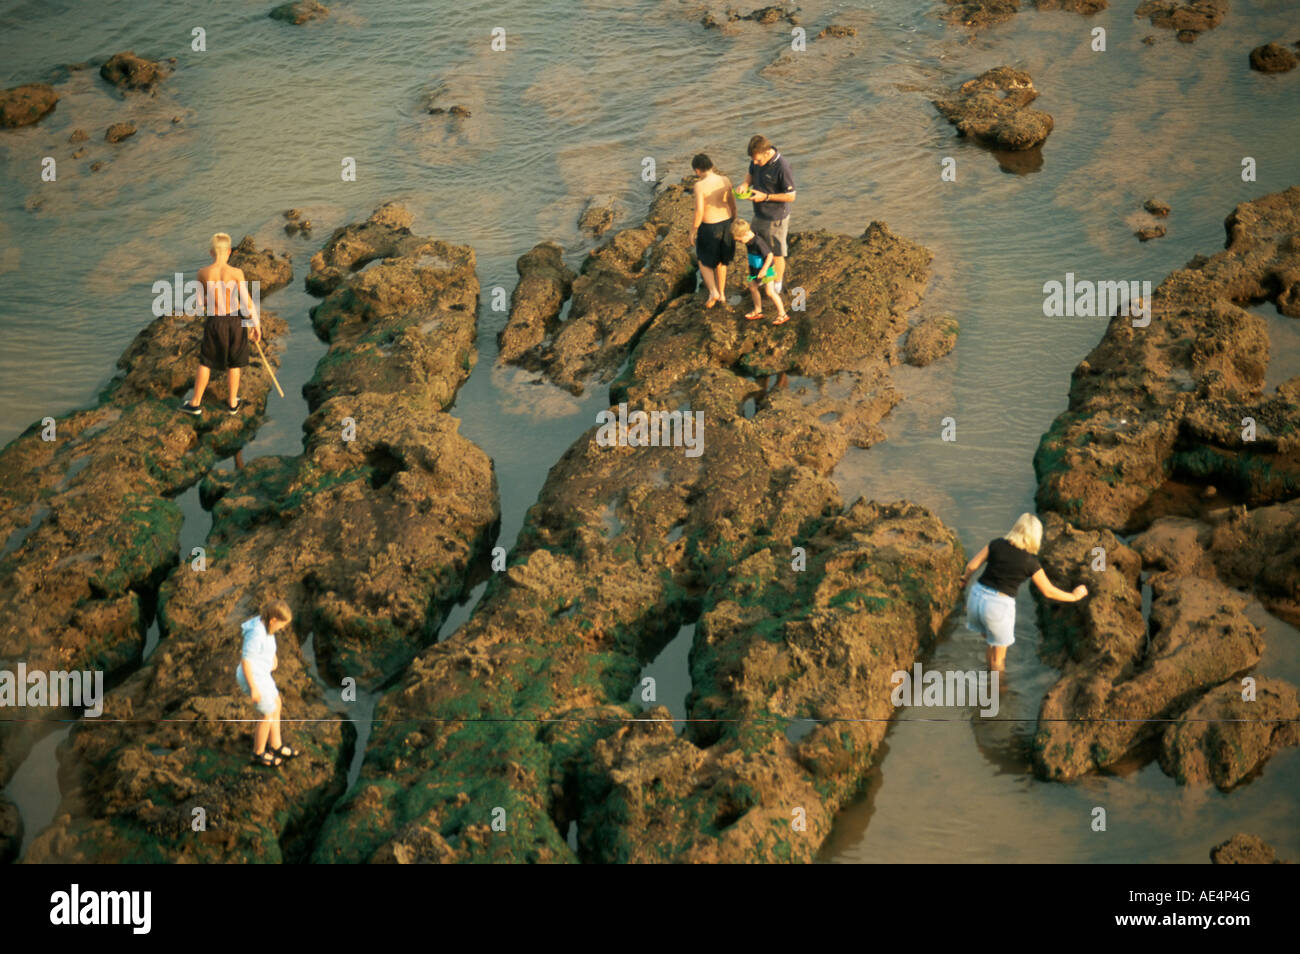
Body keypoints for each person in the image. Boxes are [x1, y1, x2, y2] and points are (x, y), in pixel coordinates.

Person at [960, 513, 1087, 673]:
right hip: (997, 606)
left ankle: (988, 678)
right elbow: (1048, 591)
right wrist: (1074, 596)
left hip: (976, 598)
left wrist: (964, 580)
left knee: (992, 644)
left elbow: (972, 566)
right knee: (999, 660)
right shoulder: (1030, 562)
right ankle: (997, 693)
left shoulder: (996, 544)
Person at [180, 232, 261, 416]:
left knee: (206, 362)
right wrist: (256, 325)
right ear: (230, 251)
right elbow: (248, 302)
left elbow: (201, 304)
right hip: (235, 321)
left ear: (211, 252)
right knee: (234, 363)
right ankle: (232, 403)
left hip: (215, 322)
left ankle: (195, 403)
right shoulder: (236, 273)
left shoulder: (202, 273)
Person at [235, 598, 299, 767]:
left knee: (277, 703)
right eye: (282, 625)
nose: (282, 628)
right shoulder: (256, 633)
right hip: (252, 677)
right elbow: (246, 661)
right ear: (273, 620)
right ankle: (258, 753)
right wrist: (254, 689)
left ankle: (276, 745)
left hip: (262, 674)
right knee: (267, 714)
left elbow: (269, 645)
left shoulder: (267, 627)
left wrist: (273, 658)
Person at [741, 135, 795, 295]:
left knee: (777, 253)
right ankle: (764, 277)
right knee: (758, 247)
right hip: (758, 214)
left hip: (775, 218)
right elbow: (750, 173)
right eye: (753, 160)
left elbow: (791, 196)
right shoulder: (756, 160)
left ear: (767, 152)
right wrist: (745, 184)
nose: (755, 163)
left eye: (758, 160)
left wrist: (765, 197)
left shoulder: (782, 167)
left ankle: (777, 284)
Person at [689, 154, 737, 309]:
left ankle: (713, 292)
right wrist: (733, 219)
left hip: (709, 227)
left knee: (703, 260)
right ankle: (722, 294)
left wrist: (693, 230)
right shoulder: (725, 180)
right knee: (722, 261)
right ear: (711, 165)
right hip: (726, 223)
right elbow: (732, 203)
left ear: (697, 170)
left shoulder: (699, 186)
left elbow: (699, 211)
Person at [732, 219, 789, 324]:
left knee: (770, 292)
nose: (739, 243)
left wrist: (764, 270)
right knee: (752, 287)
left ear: (746, 233)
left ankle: (782, 314)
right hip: (755, 270)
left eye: (739, 240)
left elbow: (770, 255)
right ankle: (758, 310)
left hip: (768, 270)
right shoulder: (748, 241)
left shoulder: (758, 242)